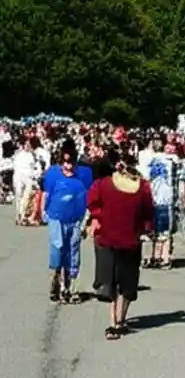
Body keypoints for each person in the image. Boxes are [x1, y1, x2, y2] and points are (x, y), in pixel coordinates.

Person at [87, 154, 154, 340]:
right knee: (127, 283)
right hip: (130, 239)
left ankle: (114, 321)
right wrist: (146, 229)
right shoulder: (143, 187)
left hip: (107, 238)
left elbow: (92, 202)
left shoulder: (103, 184)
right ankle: (119, 321)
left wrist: (98, 218)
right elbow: (148, 212)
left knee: (112, 283)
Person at [41, 144, 94, 304]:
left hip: (76, 219)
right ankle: (56, 276)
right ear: (61, 162)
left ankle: (68, 287)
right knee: (58, 248)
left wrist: (87, 220)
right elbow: (46, 193)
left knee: (73, 251)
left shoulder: (83, 177)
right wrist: (43, 211)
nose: (68, 166)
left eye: (71, 163)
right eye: (65, 163)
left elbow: (89, 198)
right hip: (56, 218)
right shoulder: (52, 175)